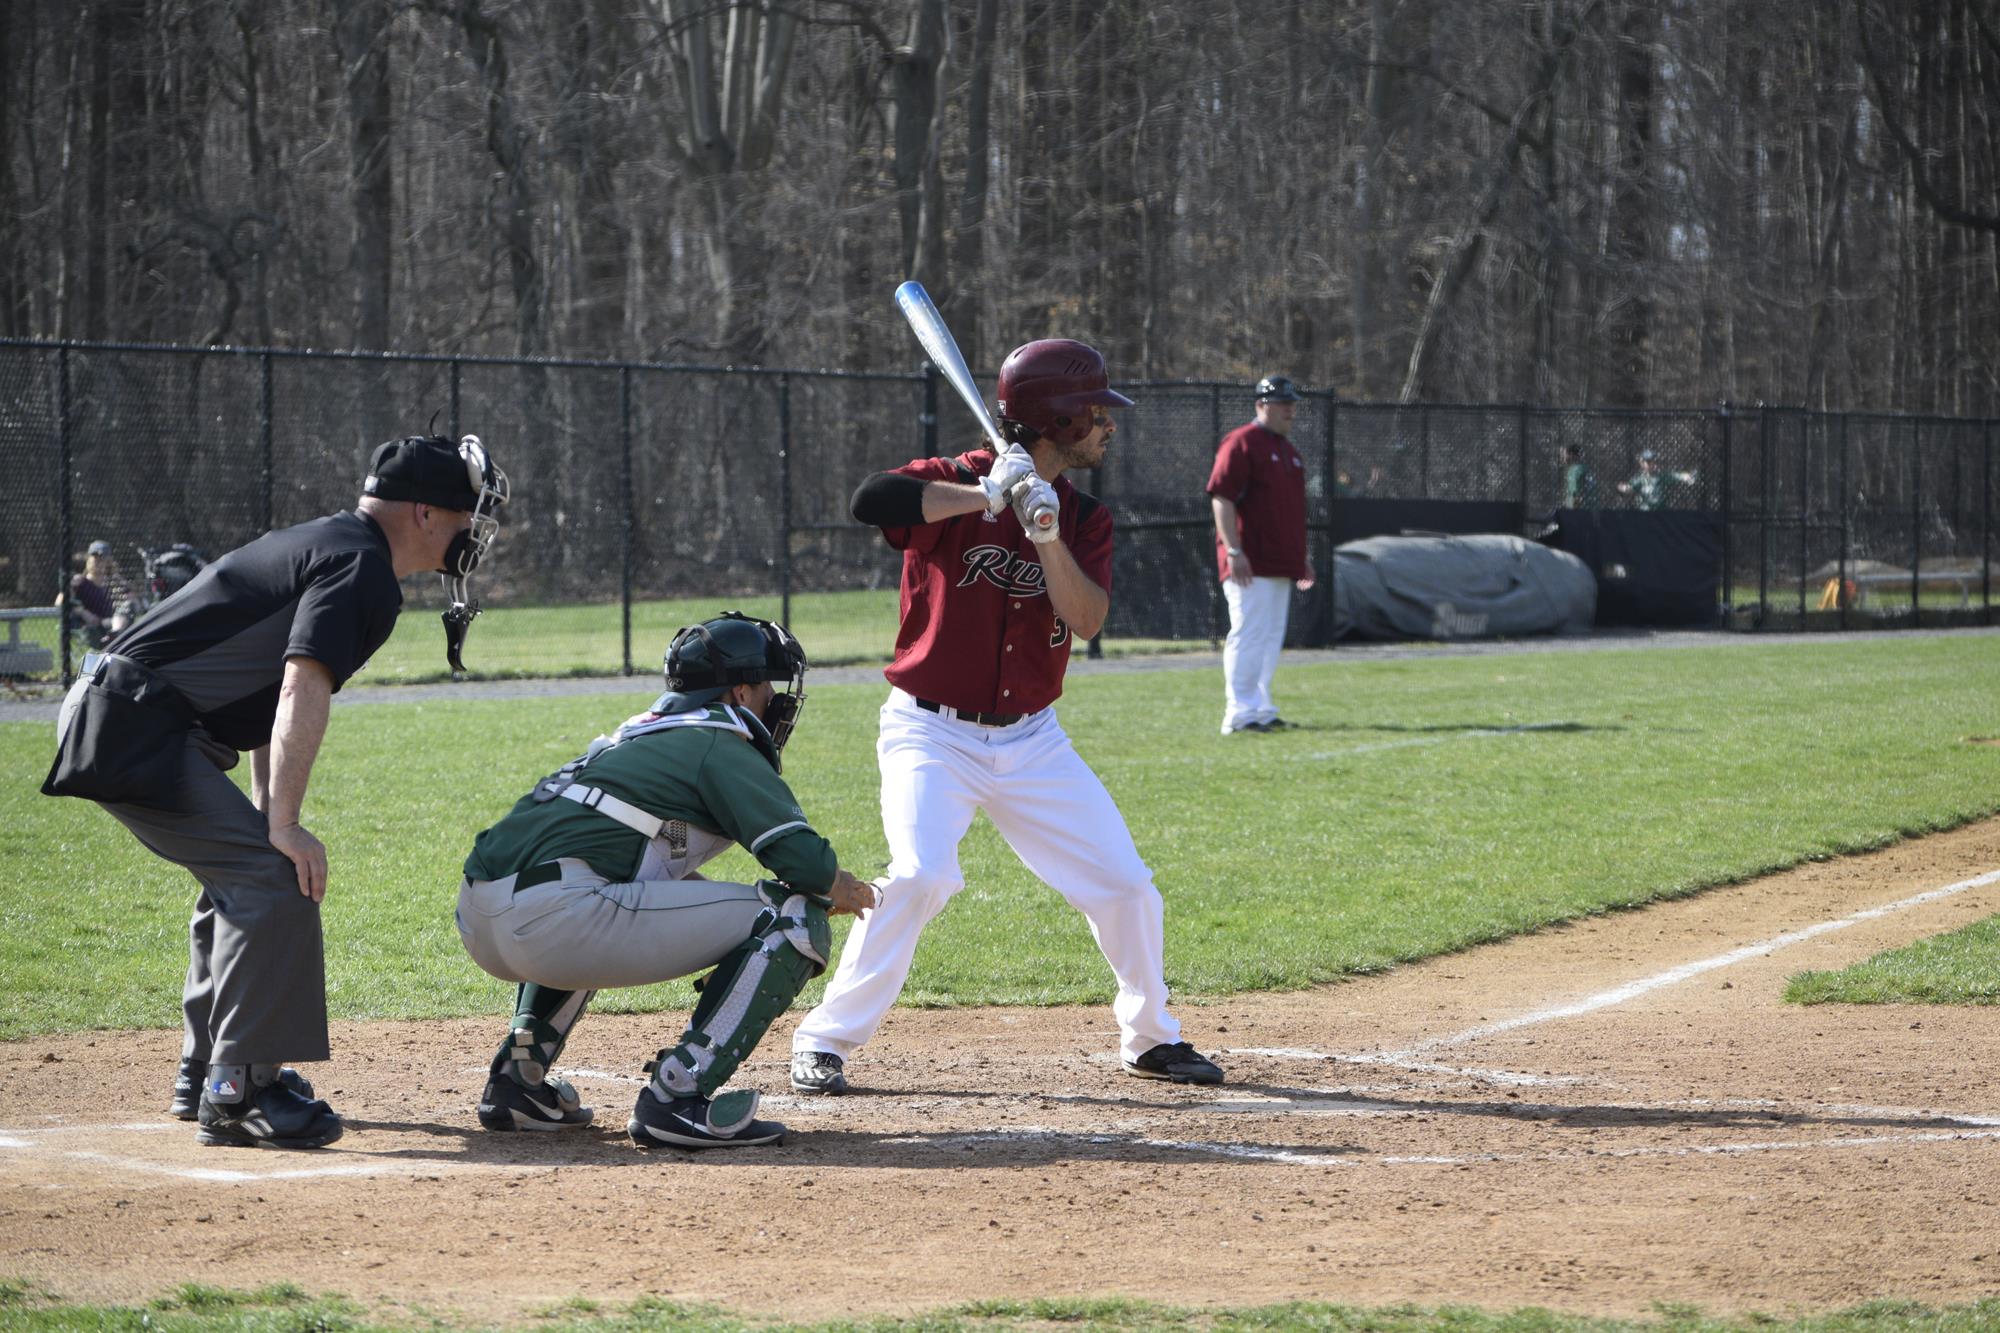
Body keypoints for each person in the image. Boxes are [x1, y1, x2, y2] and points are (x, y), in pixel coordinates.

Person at [42, 434, 509, 1149]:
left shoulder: (333, 544)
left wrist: (270, 814)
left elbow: (265, 697)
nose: (469, 530)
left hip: (128, 713)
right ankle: (241, 1091)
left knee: (244, 873)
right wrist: (285, 825)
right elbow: (300, 683)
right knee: (274, 882)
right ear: (422, 513)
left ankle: (207, 1067)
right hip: (135, 722)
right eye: (461, 513)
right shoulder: (361, 568)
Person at [788, 338, 1225, 1097]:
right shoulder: (954, 481)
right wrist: (985, 496)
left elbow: (1086, 619)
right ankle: (823, 1040)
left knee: (1126, 885)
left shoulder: (1083, 515)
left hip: (1032, 740)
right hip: (930, 729)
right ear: (1056, 419)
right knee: (922, 874)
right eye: (1093, 414)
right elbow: (870, 499)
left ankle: (1152, 1037)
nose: (1107, 427)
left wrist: (1044, 528)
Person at [455, 612, 876, 1150]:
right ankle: (678, 1096)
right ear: (741, 690)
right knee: (791, 917)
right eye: (769, 685)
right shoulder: (718, 739)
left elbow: (644, 862)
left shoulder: (645, 734)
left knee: (599, 890)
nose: (777, 698)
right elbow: (807, 865)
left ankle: (518, 1082)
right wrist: (837, 885)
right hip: (554, 917)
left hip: (482, 917)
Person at [1207, 374, 1313, 735]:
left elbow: (1290, 512)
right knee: (1248, 633)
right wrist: (1233, 549)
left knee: (1269, 637)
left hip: (1280, 563)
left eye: (1292, 403)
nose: (1290, 410)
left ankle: (1260, 707)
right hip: (1248, 562)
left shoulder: (1288, 450)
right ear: (1260, 405)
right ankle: (1239, 712)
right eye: (1282, 403)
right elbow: (1221, 497)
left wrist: (1302, 557)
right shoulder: (1242, 442)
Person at [58, 540, 135, 647]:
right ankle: (115, 637)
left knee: (127, 607)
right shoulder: (80, 582)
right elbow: (60, 601)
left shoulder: (114, 581)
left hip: (114, 622)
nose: (98, 563)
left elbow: (132, 600)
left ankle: (115, 634)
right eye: (95, 559)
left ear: (108, 561)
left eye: (102, 559)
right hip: (93, 627)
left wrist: (120, 582)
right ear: (89, 560)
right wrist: (82, 612)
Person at [1618, 449, 1696, 511]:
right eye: (1648, 461)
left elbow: (1675, 476)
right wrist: (1625, 488)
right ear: (1642, 463)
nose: (1651, 463)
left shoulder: (1661, 476)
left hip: (1660, 512)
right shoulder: (1639, 479)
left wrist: (1686, 476)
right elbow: (1630, 488)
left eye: (1652, 461)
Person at [1559, 444, 1600, 509]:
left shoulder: (1577, 470)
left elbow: (1576, 491)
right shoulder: (1578, 469)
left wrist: (1578, 499)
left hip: (1579, 507)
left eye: (1565, 455)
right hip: (1581, 506)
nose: (1563, 458)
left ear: (1571, 455)